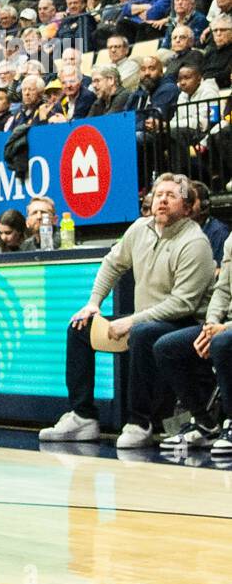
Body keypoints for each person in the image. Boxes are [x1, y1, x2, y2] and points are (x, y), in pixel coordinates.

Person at [40, 174, 215, 448]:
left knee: (142, 332)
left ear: (186, 206)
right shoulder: (139, 228)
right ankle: (83, 416)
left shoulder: (195, 243)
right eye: (158, 195)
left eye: (171, 195)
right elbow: (112, 263)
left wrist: (131, 321)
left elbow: (183, 303)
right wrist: (94, 303)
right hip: (145, 318)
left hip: (185, 322)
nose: (162, 200)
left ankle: (139, 423)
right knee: (80, 326)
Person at [155, 237, 232, 452]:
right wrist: (211, 324)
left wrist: (224, 329)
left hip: (227, 331)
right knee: (167, 348)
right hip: (223, 327)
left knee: (222, 342)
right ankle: (204, 423)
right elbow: (222, 290)